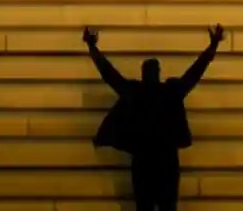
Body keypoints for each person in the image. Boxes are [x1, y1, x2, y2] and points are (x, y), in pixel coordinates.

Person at [83, 24, 225, 211]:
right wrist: (213, 45)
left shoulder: (135, 92)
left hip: (143, 160)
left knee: (144, 205)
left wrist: (92, 47)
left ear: (143, 74)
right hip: (166, 160)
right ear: (158, 74)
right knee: (167, 206)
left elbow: (109, 74)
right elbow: (195, 73)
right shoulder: (170, 92)